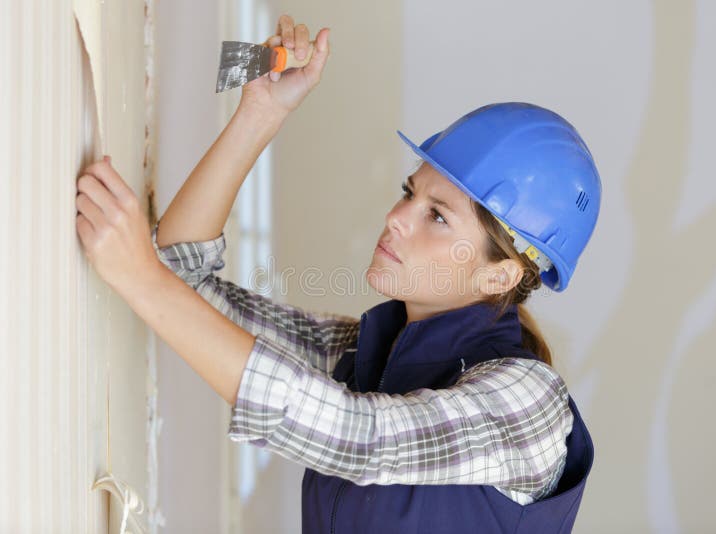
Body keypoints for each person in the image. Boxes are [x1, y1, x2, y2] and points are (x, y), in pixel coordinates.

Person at [75, 14, 598, 534]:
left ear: (499, 276)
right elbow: (177, 280)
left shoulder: (530, 404)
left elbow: (362, 438)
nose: (395, 218)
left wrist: (140, 276)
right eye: (408, 193)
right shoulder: (361, 353)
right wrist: (259, 113)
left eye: (436, 216)